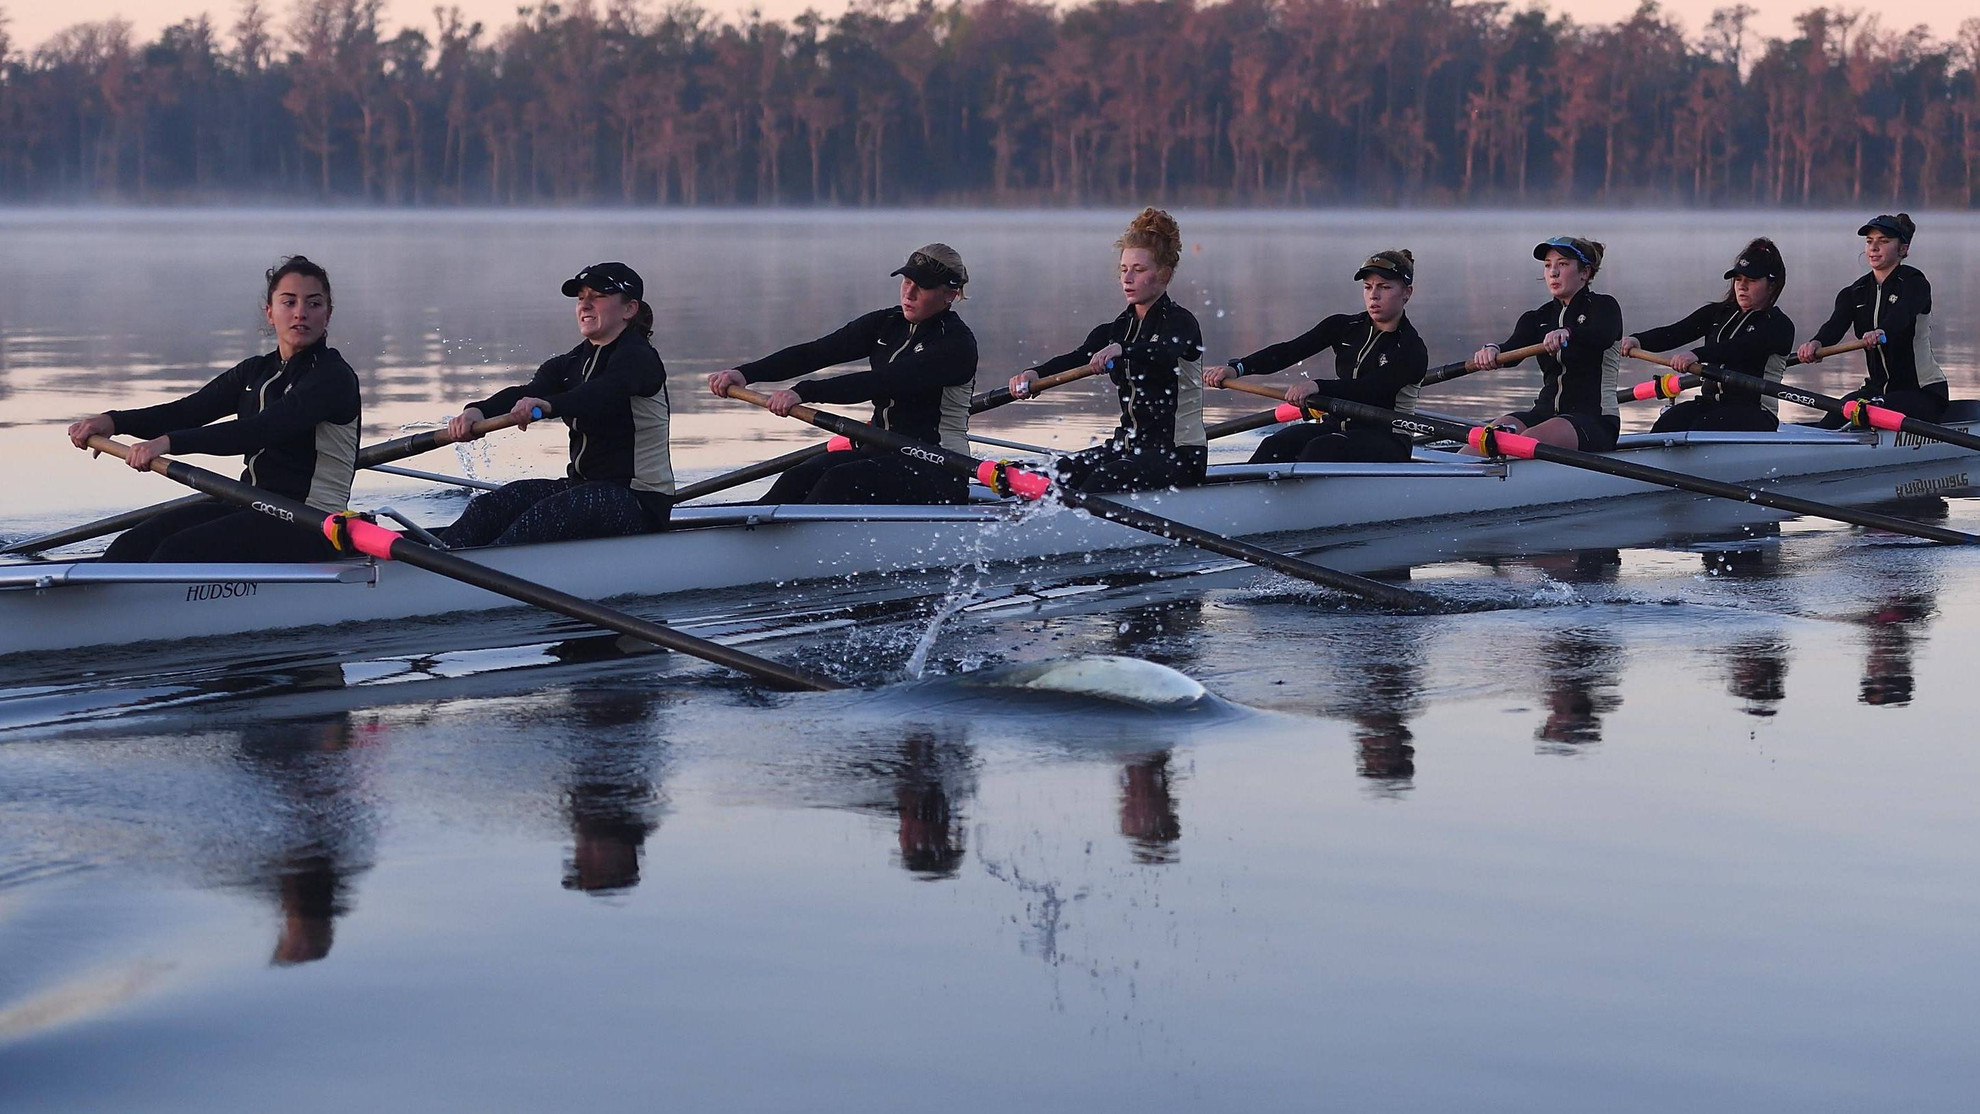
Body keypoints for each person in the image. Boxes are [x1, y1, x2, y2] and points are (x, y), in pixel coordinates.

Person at [66, 255, 361, 563]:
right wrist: (112, 421)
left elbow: (258, 431)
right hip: (250, 506)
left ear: (327, 315)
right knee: (131, 545)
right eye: (289, 302)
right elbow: (185, 412)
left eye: (314, 304)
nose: (301, 313)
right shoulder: (255, 371)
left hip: (314, 522)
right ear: (270, 313)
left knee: (177, 552)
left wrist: (168, 443)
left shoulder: (332, 377)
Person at [706, 244, 976, 505]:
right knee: (799, 476)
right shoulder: (887, 323)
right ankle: (748, 536)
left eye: (923, 286)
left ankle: (795, 543)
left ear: (950, 295)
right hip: (879, 451)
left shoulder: (955, 344)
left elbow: (880, 382)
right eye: (906, 281)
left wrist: (804, 392)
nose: (909, 293)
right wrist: (743, 373)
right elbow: (817, 352)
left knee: (838, 481)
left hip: (938, 465)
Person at [441, 262, 673, 547]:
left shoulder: (640, 359)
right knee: (488, 507)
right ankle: (433, 557)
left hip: (638, 501)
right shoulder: (571, 363)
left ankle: (476, 572)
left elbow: (600, 394)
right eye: (581, 298)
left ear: (629, 309)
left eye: (598, 296)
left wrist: (547, 407)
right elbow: (527, 392)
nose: (585, 305)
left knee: (543, 518)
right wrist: (476, 411)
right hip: (583, 489)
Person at [1007, 208, 1205, 493]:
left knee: (1099, 481)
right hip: (1125, 448)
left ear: (1164, 275)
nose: (1127, 278)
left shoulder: (1181, 323)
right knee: (1043, 476)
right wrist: (1034, 373)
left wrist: (1122, 350)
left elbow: (1163, 352)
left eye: (1139, 270)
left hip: (1178, 456)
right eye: (1124, 270)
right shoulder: (1116, 329)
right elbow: (1077, 358)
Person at [1202, 249, 1428, 463]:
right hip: (1337, 427)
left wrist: (1317, 386)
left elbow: (1369, 390)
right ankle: (1246, 494)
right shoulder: (1344, 326)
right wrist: (1237, 368)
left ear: (1407, 293)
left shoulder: (1411, 348)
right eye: (1368, 287)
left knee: (1322, 449)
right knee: (1276, 443)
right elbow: (1288, 351)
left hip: (1388, 438)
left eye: (1385, 287)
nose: (1374, 296)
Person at [1467, 236, 1624, 452]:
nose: (1553, 272)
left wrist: (1568, 333)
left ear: (1585, 273)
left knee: (1527, 440)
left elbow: (1602, 335)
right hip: (1542, 414)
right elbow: (1512, 348)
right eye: (1548, 265)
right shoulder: (1537, 317)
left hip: (1594, 419)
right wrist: (1493, 349)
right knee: (1485, 439)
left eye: (1563, 264)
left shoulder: (1604, 307)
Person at [1620, 237, 1793, 433]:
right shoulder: (1718, 313)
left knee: (1703, 427)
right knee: (1667, 423)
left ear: (1772, 285)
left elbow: (1739, 348)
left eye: (1751, 281)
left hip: (1756, 413)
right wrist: (1637, 340)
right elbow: (1675, 332)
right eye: (1738, 279)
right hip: (1711, 404)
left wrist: (1697, 355)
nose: (1742, 287)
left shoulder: (1779, 325)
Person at [1796, 213, 1946, 428]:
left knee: (1863, 410)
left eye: (1883, 241)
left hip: (1922, 393)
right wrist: (1816, 343)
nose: (1873, 248)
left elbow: (1902, 315)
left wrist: (1881, 331)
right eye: (1869, 241)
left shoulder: (1915, 284)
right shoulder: (1854, 292)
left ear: (1902, 250)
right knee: (1838, 413)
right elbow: (1834, 326)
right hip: (1877, 391)